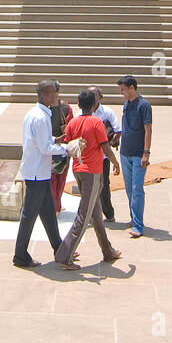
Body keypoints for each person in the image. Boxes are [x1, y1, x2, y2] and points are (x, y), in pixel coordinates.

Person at [13, 80, 78, 268]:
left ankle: (59, 248)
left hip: (38, 171)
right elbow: (45, 148)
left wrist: (54, 139)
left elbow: (40, 140)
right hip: (36, 173)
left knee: (48, 212)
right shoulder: (41, 118)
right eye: (55, 94)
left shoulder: (34, 114)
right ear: (47, 95)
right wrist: (67, 148)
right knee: (29, 215)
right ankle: (20, 255)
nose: (57, 98)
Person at [56, 89, 122, 269]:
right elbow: (106, 147)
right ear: (94, 105)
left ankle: (107, 251)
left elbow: (68, 144)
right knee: (84, 216)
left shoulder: (73, 123)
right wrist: (115, 162)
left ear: (79, 105)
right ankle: (64, 255)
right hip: (92, 171)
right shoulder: (96, 122)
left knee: (95, 212)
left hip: (78, 170)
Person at [116, 75, 153, 238]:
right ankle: (134, 217)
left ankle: (138, 225)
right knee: (129, 188)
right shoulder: (126, 104)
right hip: (125, 152)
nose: (122, 93)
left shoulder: (144, 106)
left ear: (132, 88)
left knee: (137, 189)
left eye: (123, 89)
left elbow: (148, 130)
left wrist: (146, 153)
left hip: (138, 154)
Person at [89, 84, 121, 222]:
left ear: (100, 97)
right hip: (89, 157)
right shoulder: (83, 112)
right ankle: (90, 215)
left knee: (104, 186)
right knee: (89, 187)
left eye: (95, 95)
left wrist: (109, 141)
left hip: (103, 156)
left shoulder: (107, 112)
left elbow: (118, 129)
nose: (92, 98)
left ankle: (109, 213)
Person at [48, 86, 75, 213]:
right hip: (61, 147)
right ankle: (56, 205)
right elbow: (70, 127)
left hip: (52, 147)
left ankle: (55, 205)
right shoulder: (65, 107)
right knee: (59, 177)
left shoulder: (44, 108)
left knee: (52, 178)